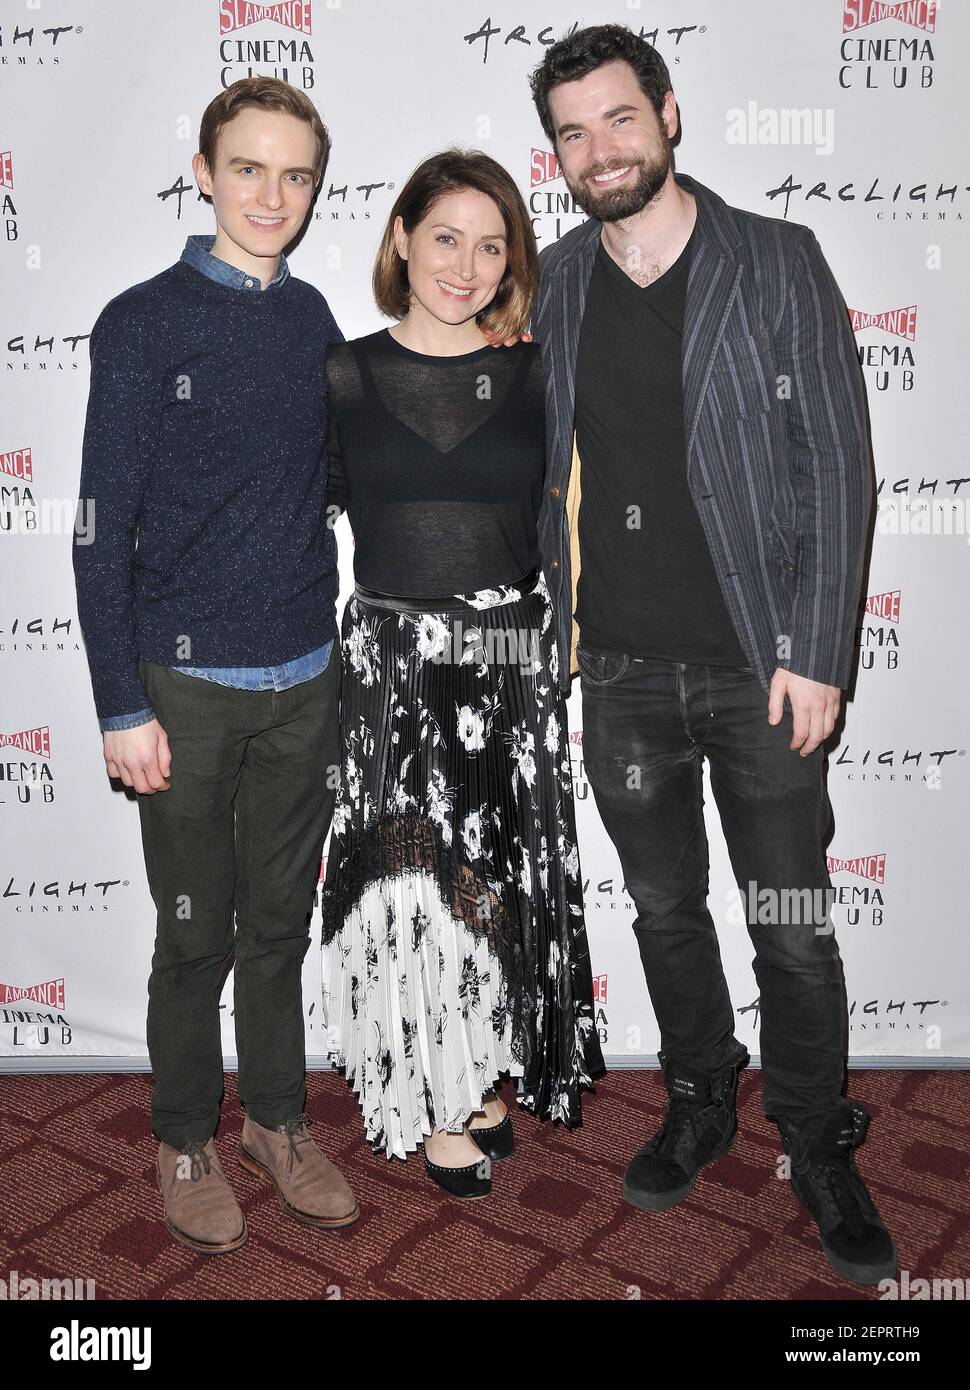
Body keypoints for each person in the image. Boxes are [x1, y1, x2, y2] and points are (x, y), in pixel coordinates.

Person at [527, 24, 895, 1285]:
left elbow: (838, 461)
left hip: (759, 663)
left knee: (788, 922)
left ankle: (811, 1131)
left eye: (618, 118)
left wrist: (818, 649)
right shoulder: (560, 278)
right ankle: (698, 1094)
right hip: (619, 668)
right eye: (572, 132)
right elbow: (544, 473)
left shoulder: (777, 258)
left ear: (670, 115)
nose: (599, 148)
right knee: (665, 909)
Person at [73, 77, 358, 1255]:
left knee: (279, 922)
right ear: (203, 169)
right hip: (183, 689)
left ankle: (278, 1123)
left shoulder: (313, 320)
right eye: (249, 168)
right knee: (195, 929)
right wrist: (119, 699)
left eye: (296, 174)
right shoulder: (142, 322)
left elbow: (341, 482)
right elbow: (99, 524)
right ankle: (186, 1131)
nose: (271, 195)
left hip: (306, 675)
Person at [319, 149, 605, 1198]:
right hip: (391, 661)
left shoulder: (537, 374)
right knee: (412, 881)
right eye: (445, 236)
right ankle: (435, 1097)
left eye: (492, 246)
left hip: (506, 658)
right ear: (400, 237)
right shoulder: (342, 375)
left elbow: (568, 508)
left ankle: (479, 1060)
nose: (466, 264)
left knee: (490, 876)